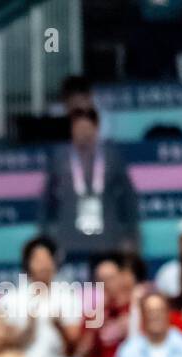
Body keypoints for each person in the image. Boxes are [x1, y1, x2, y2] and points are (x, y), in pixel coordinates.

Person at [39, 107, 139, 259]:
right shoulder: (59, 157)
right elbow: (47, 201)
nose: (83, 133)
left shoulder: (112, 156)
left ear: (96, 128)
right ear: (71, 130)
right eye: (78, 128)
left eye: (87, 128)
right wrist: (45, 236)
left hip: (107, 238)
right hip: (68, 237)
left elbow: (128, 199)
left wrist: (131, 235)